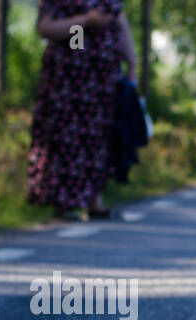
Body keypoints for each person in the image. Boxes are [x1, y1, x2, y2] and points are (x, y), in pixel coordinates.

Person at [26, 1, 137, 219]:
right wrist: (85, 21)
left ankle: (95, 200)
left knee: (99, 138)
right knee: (66, 138)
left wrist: (132, 65)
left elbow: (120, 24)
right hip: (68, 81)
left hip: (102, 82)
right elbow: (45, 28)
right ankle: (64, 202)